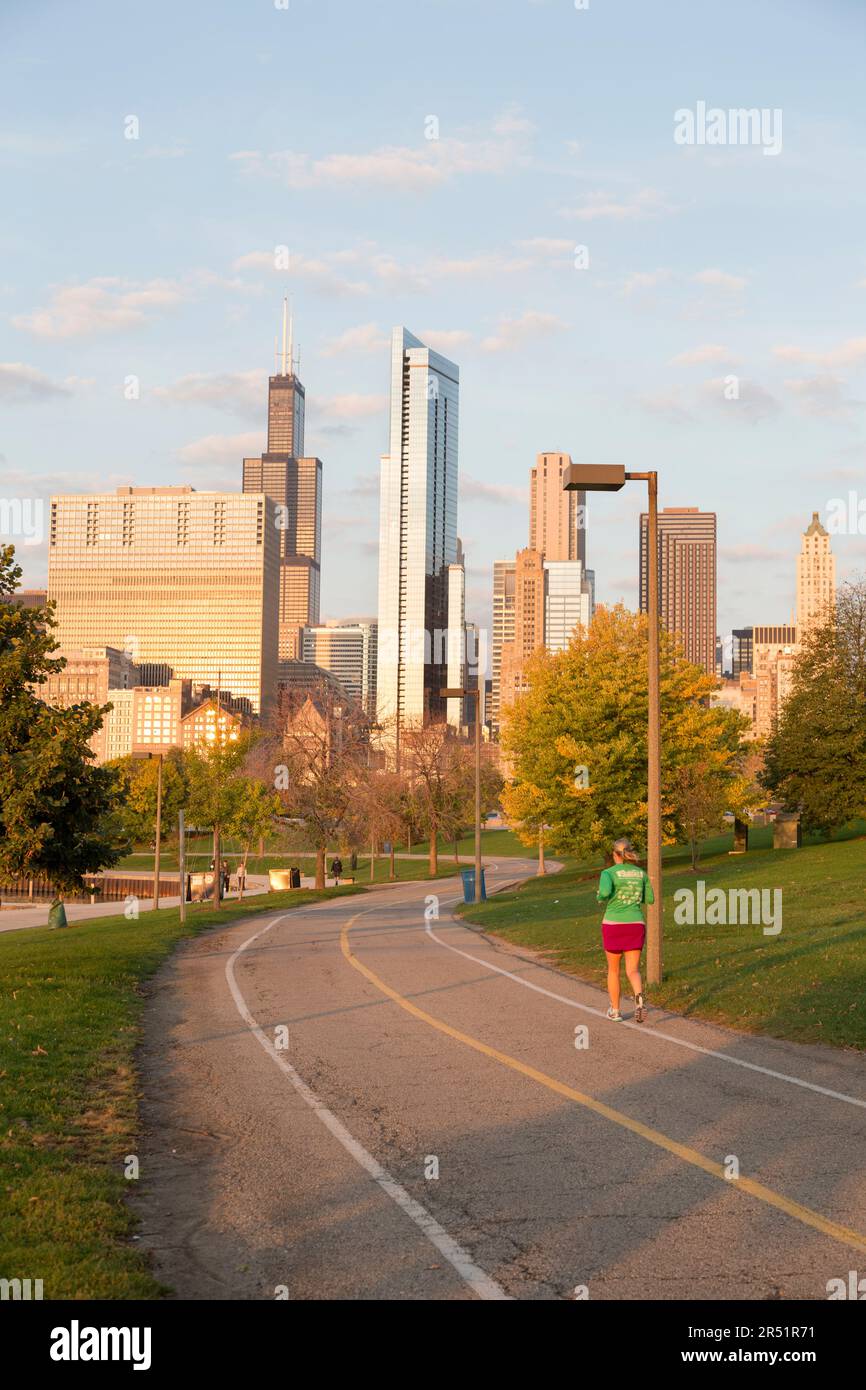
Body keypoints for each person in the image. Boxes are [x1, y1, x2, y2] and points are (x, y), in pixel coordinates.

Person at [596, 837, 653, 1023]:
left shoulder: (608, 873)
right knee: (633, 970)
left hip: (614, 924)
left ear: (615, 854)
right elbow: (650, 898)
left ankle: (615, 1010)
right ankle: (639, 1000)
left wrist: (599, 895)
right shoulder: (641, 873)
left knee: (613, 970)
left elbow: (604, 893)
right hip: (636, 924)